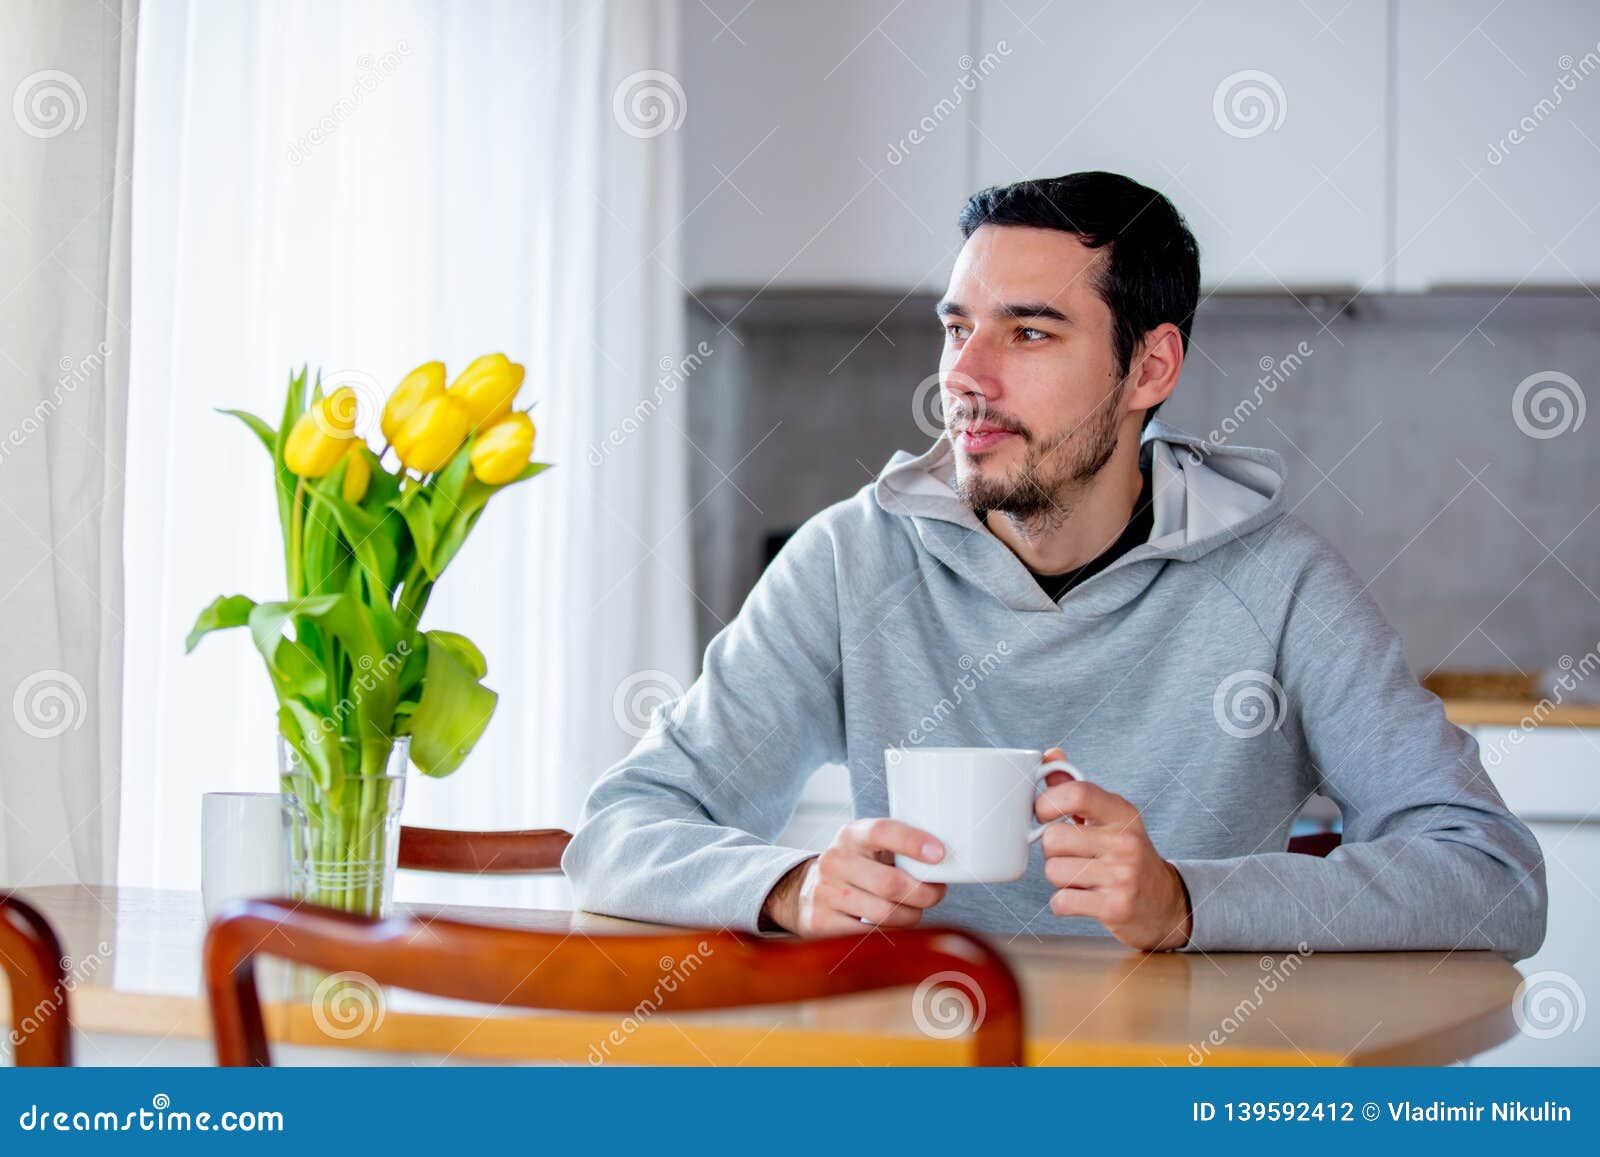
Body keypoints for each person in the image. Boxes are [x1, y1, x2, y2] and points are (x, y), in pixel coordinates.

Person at [563, 171, 1546, 960]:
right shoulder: (850, 560)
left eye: (1027, 331)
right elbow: (617, 832)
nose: (963, 374)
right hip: (924, 1084)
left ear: (1149, 369)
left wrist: (1185, 901)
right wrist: (792, 884)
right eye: (957, 327)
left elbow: (1493, 878)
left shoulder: (1278, 582)